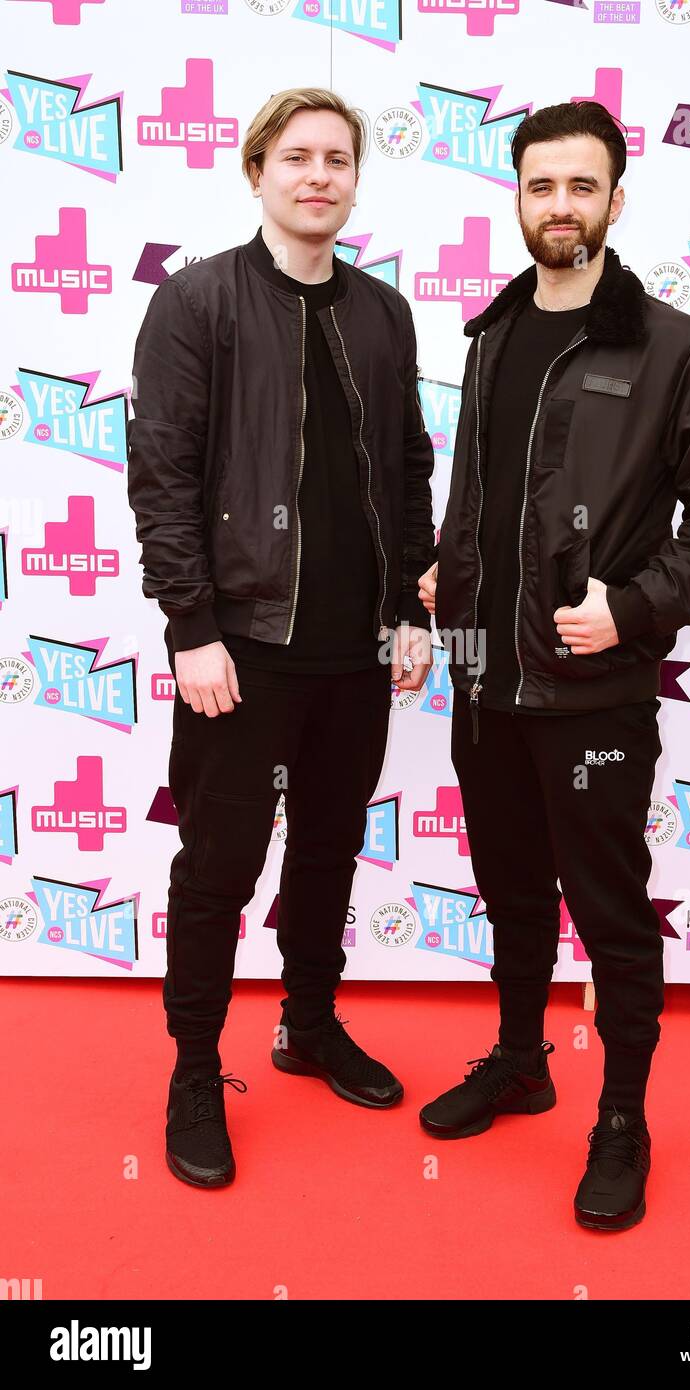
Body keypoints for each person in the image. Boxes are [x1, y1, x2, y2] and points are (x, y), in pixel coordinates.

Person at [416, 100, 690, 1232]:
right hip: (486, 684)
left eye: (581, 186)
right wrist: (451, 576)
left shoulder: (674, 347)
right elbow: (486, 498)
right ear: (516, 197)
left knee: (609, 912)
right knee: (510, 890)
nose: (559, 205)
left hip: (590, 691)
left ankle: (622, 1119)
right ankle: (522, 1061)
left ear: (616, 200)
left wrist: (634, 607)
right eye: (540, 185)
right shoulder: (491, 335)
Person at [127, 87, 435, 1189]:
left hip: (354, 651)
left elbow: (406, 468)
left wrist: (410, 608)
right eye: (296, 157)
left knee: (328, 850)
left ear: (355, 180)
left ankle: (308, 1024)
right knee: (217, 868)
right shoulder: (197, 301)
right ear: (257, 171)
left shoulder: (384, 312)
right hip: (241, 648)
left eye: (337, 159)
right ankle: (194, 1071)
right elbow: (162, 474)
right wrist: (191, 626)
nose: (318, 176)